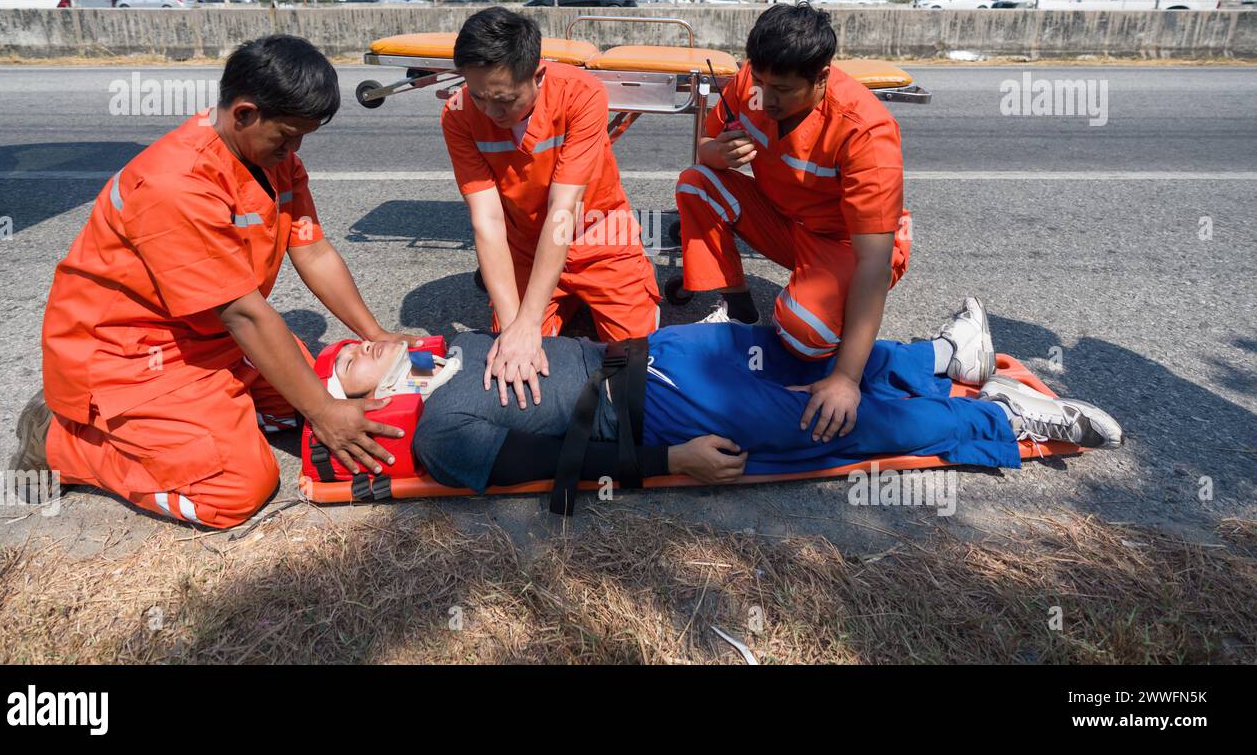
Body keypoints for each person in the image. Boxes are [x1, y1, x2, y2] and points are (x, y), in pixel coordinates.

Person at [13, 35, 421, 528]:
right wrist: (324, 413)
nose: (294, 151)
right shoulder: (176, 184)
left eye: (302, 139)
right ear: (244, 113)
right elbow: (244, 313)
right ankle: (61, 442)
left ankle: (197, 426)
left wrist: (375, 334)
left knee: (317, 399)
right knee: (236, 489)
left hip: (207, 334)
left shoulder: (274, 162)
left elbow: (310, 248)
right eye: (287, 136)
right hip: (131, 354)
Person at [319, 299, 1122, 511]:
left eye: (346, 344)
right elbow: (555, 463)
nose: (348, 348)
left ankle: (945, 357)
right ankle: (1003, 416)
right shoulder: (440, 433)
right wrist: (670, 462)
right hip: (654, 417)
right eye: (337, 367)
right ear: (358, 410)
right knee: (830, 421)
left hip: (658, 352)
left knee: (798, 349)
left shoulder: (444, 350)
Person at [674, 3, 911, 442]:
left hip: (846, 246)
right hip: (786, 221)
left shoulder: (866, 132)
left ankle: (899, 351)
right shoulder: (754, 81)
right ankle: (736, 306)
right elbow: (705, 148)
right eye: (759, 82)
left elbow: (873, 263)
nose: (765, 97)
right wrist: (715, 153)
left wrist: (845, 379)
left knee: (806, 337)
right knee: (695, 183)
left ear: (821, 76)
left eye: (780, 89)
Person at [441, 7, 661, 411]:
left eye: (504, 99)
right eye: (478, 96)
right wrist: (515, 326)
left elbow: (564, 210)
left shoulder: (582, 94)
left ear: (537, 75)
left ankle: (588, 301)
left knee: (638, 360)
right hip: (525, 244)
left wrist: (529, 322)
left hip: (599, 235)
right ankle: (558, 309)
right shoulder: (457, 115)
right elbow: (487, 221)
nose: (491, 113)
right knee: (512, 364)